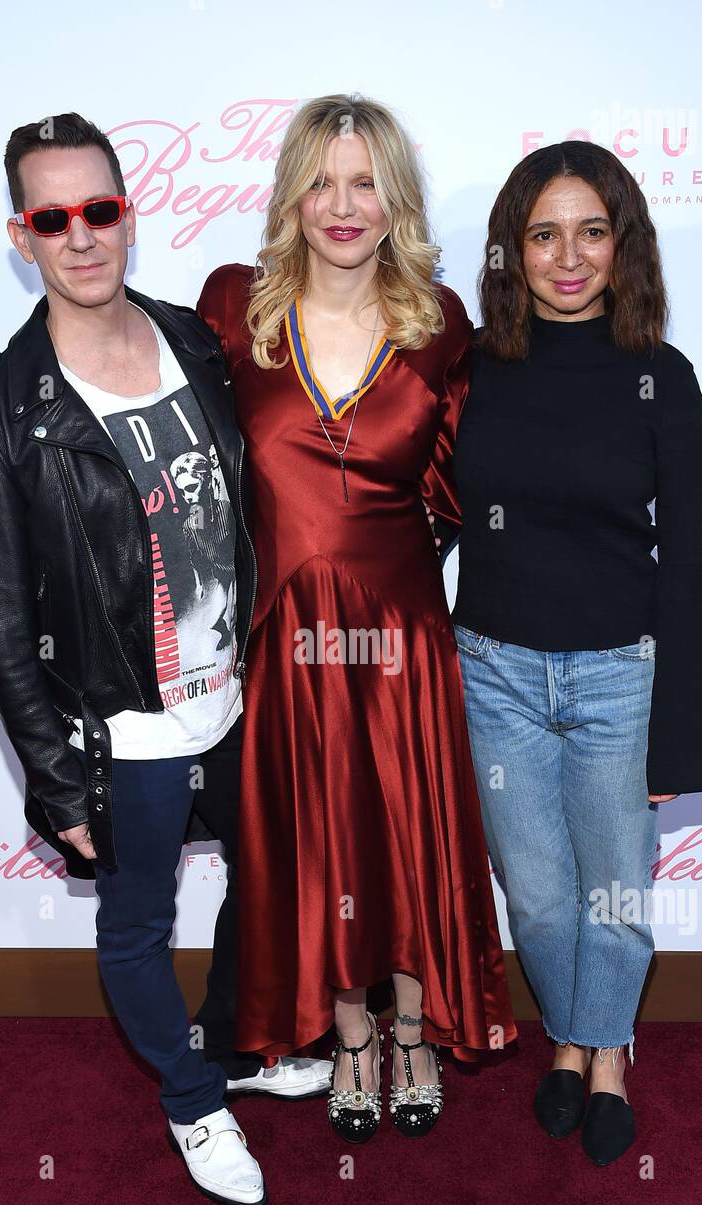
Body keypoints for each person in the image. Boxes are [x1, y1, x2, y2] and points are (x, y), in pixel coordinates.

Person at [0, 111, 330, 1205]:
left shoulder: (192, 341)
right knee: (136, 921)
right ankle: (192, 1096)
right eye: (52, 217)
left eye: (98, 210)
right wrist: (51, 772)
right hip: (123, 725)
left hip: (238, 695)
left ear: (127, 213)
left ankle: (231, 1043)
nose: (81, 236)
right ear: (22, 235)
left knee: (267, 880)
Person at [197, 94, 517, 1144]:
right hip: (283, 642)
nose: (343, 205)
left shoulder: (437, 320)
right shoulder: (232, 305)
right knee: (319, 839)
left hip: (401, 639)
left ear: (395, 199)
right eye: (323, 180)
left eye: (366, 182)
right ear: (293, 189)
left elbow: (468, 484)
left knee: (409, 830)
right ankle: (346, 1035)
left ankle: (413, 1031)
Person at [449, 140, 702, 1166]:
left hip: (621, 674)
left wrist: (687, 737)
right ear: (510, 250)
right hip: (490, 669)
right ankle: (570, 1041)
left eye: (590, 231)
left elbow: (689, 558)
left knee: (612, 890)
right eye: (542, 235)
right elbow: (420, 517)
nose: (566, 257)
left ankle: (599, 1053)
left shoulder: (661, 380)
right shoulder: (470, 370)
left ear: (622, 245)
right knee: (534, 894)